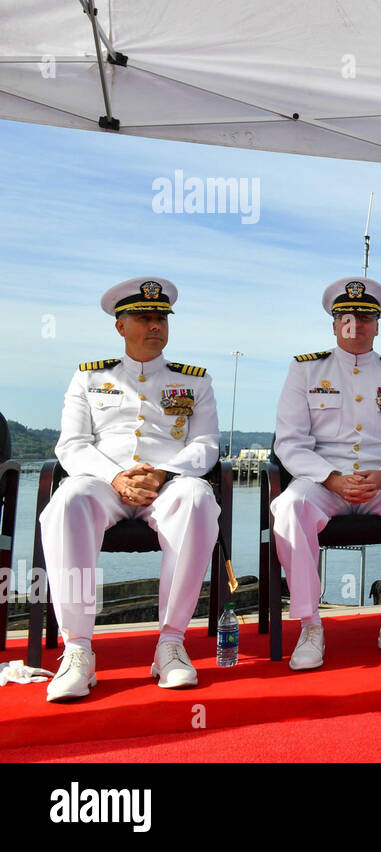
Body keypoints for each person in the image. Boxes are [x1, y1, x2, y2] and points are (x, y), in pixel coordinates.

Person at [40, 277, 220, 702]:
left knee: (197, 498)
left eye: (161, 318)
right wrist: (116, 478)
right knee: (68, 499)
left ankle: (170, 642)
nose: (155, 325)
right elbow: (72, 445)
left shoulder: (196, 382)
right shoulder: (88, 378)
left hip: (167, 484)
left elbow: (206, 445)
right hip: (104, 482)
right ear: (120, 327)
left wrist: (160, 473)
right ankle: (78, 650)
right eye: (144, 317)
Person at [269, 277, 381, 670]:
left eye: (366, 318)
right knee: (289, 506)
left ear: (377, 326)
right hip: (324, 483)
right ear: (334, 325)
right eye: (347, 317)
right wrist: (331, 478)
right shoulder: (306, 371)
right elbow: (290, 442)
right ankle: (311, 626)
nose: (357, 325)